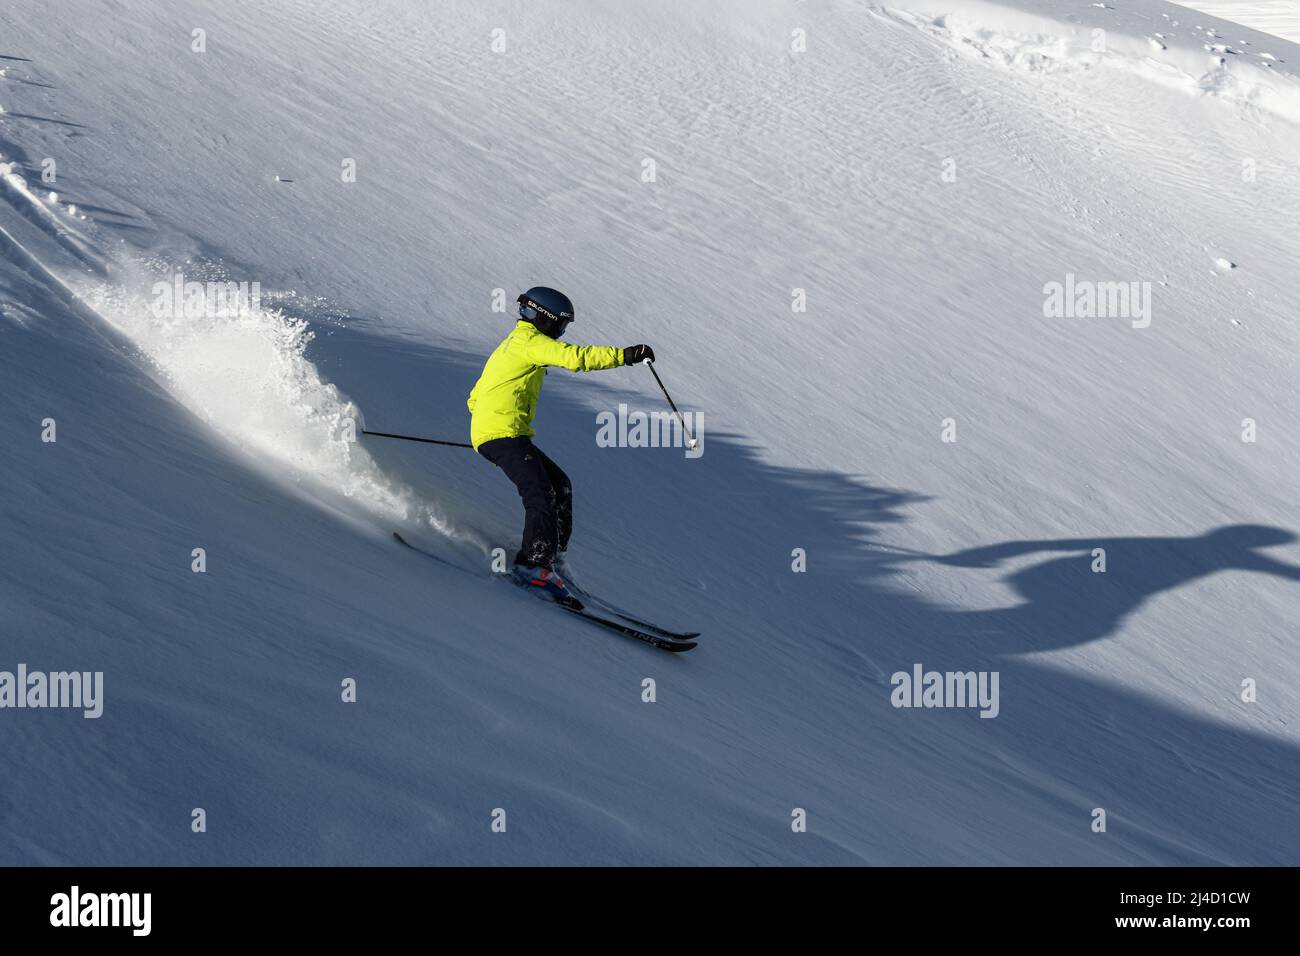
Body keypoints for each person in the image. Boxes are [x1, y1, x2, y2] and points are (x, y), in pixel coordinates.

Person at [467, 286, 654, 601]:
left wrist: (486, 430)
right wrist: (624, 356)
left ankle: (551, 557)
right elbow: (575, 358)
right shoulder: (530, 343)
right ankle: (532, 567)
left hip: (503, 433)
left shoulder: (514, 344)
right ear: (547, 320)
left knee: (560, 484)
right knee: (540, 494)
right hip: (504, 434)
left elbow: (476, 395)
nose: (561, 332)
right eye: (561, 326)